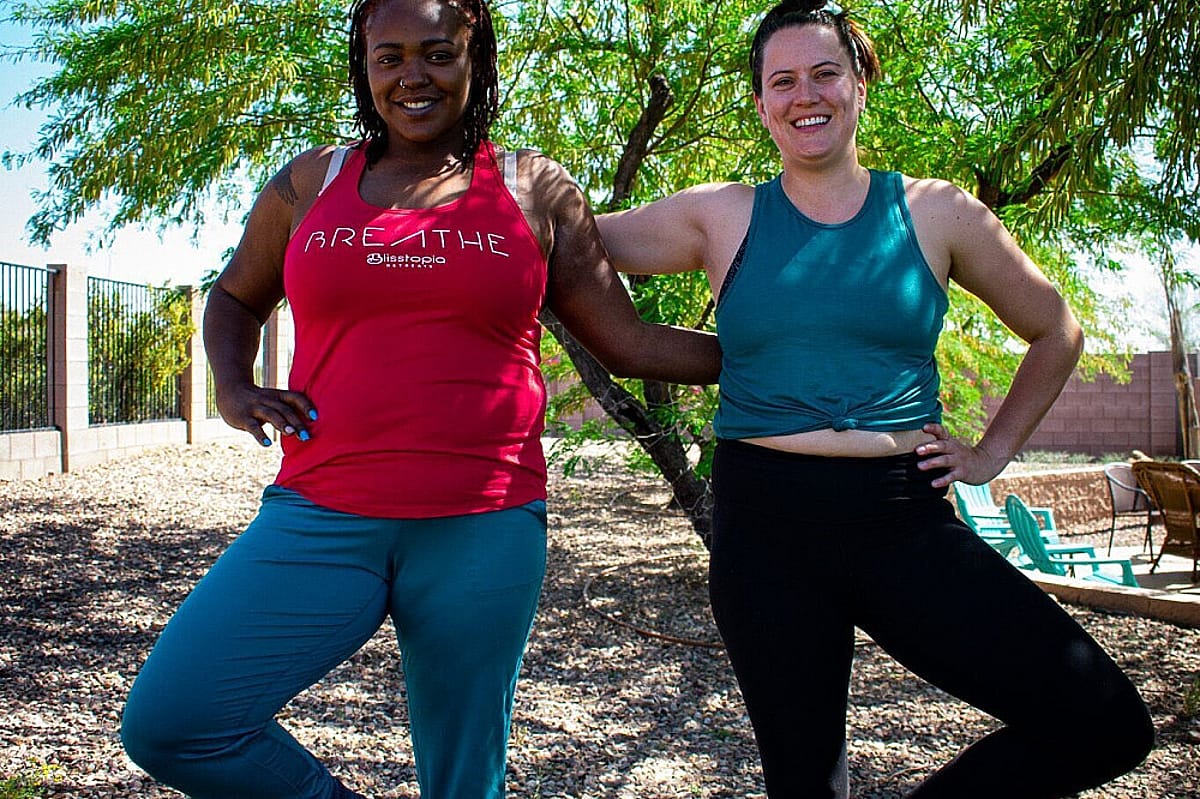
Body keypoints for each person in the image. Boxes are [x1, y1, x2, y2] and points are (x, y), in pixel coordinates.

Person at [118, 0, 720, 797]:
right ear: (363, 66)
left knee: (464, 780)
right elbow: (233, 298)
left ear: (477, 57)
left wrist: (785, 356)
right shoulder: (311, 181)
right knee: (175, 720)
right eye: (389, 56)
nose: (412, 76)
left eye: (437, 53)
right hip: (319, 512)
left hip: (485, 522)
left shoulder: (533, 186)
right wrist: (233, 385)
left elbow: (632, 342)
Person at [595, 2, 1154, 797]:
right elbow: (570, 236)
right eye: (781, 80)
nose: (804, 94)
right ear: (761, 104)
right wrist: (471, 188)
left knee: (1104, 723)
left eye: (825, 73)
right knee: (804, 782)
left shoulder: (937, 210)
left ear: (859, 83)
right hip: (765, 528)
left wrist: (992, 452)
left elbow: (1055, 329)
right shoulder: (722, 214)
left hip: (903, 516)